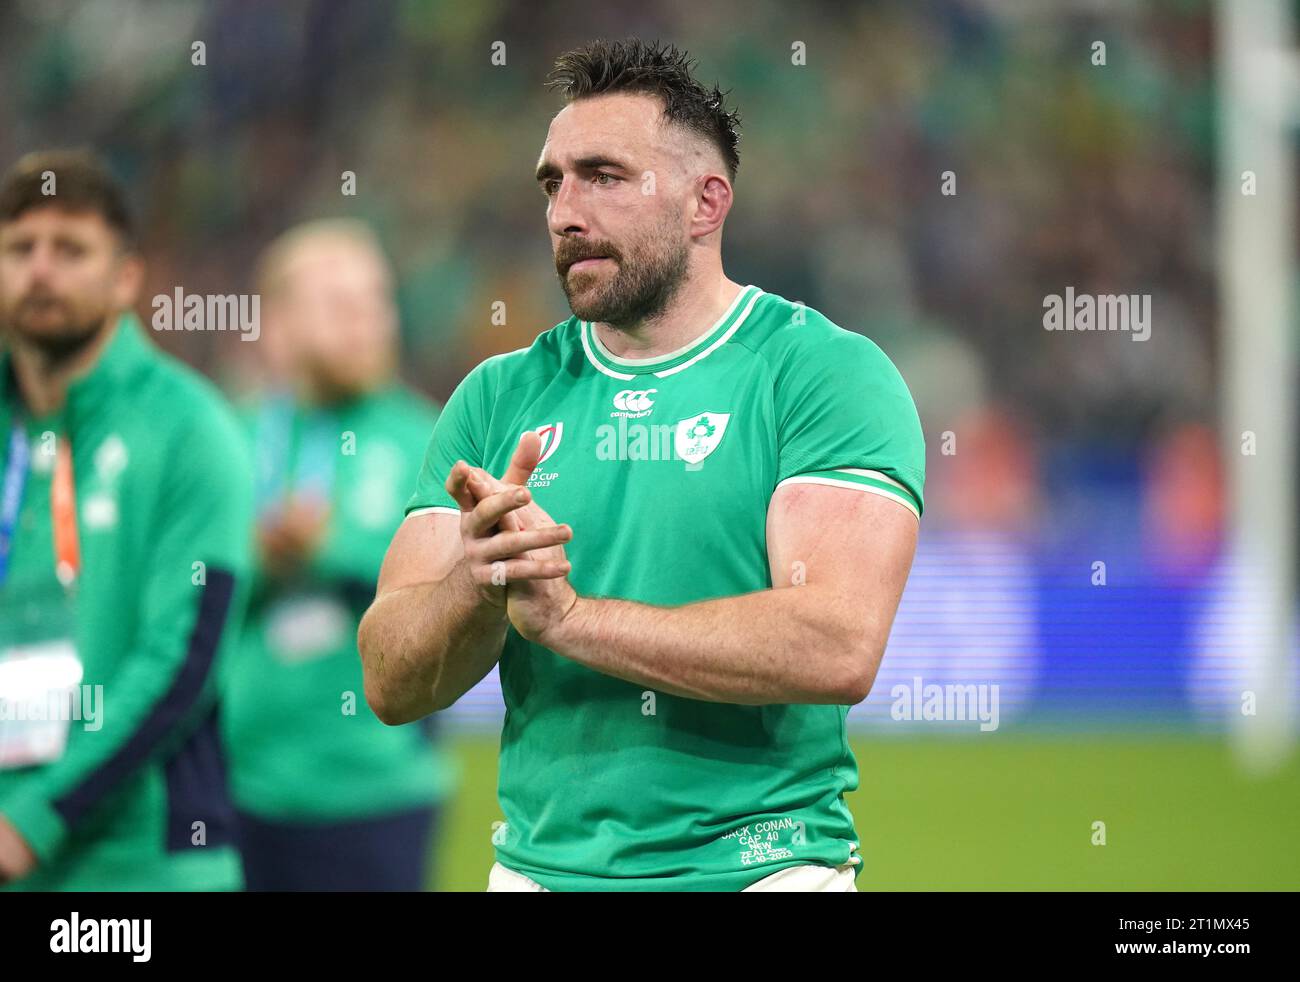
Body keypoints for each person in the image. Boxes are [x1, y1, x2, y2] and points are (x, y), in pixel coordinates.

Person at [358, 38, 926, 892]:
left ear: (706, 203)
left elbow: (836, 643)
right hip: (537, 873)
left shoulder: (821, 373)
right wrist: (475, 583)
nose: (564, 212)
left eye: (604, 177)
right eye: (554, 183)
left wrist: (570, 619)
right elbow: (389, 682)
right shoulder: (496, 396)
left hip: (761, 871)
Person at [0, 150, 252, 890]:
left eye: (70, 249)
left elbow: (183, 659)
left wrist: (34, 818)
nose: (41, 269)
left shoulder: (189, 429)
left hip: (140, 865)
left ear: (126, 278)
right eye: (20, 248)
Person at [220, 220, 455, 891]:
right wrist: (261, 557)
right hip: (242, 788)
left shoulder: (427, 434)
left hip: (375, 791)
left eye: (378, 302)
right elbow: (183, 596)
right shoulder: (232, 437)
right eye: (342, 305)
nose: (371, 323)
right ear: (280, 324)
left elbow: (447, 590)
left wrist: (331, 550)